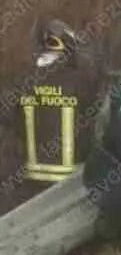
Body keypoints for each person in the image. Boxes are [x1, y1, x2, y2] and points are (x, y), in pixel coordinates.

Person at [16, 19, 93, 196]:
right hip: (70, 180)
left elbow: (16, 125)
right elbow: (91, 122)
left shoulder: (24, 81)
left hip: (33, 178)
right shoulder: (76, 81)